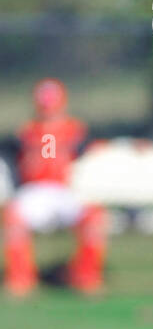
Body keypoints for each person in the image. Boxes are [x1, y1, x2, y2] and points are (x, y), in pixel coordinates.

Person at [3, 79, 107, 296]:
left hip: (62, 192)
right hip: (33, 192)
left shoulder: (75, 130)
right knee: (12, 215)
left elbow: (99, 148)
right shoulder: (25, 132)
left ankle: (86, 277)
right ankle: (20, 279)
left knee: (94, 216)